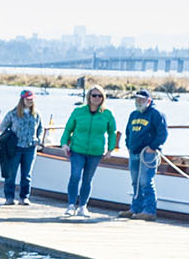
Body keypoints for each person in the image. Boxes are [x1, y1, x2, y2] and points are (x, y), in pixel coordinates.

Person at [58, 86, 118, 218]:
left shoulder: (107, 114)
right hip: (77, 150)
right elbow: (68, 129)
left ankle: (83, 206)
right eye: (94, 95)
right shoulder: (78, 111)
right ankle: (71, 205)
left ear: (103, 98)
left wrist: (110, 149)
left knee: (87, 179)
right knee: (75, 176)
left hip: (96, 152)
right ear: (89, 97)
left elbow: (112, 133)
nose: (97, 98)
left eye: (100, 96)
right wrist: (64, 144)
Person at [122, 89, 169, 221]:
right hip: (134, 152)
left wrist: (153, 147)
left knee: (146, 182)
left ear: (148, 101)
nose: (138, 102)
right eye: (137, 99)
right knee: (135, 182)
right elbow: (128, 132)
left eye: (141, 99)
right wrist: (128, 146)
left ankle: (149, 210)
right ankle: (135, 208)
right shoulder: (133, 114)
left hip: (148, 154)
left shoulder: (156, 114)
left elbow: (163, 134)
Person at [0, 90, 44, 206]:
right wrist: (10, 137)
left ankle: (24, 197)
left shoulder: (36, 114)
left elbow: (41, 128)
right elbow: (2, 127)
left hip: (30, 148)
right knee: (11, 174)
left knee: (27, 175)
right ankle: (9, 197)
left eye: (32, 99)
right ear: (22, 100)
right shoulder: (13, 113)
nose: (30, 101)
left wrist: (39, 139)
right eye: (28, 99)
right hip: (15, 148)